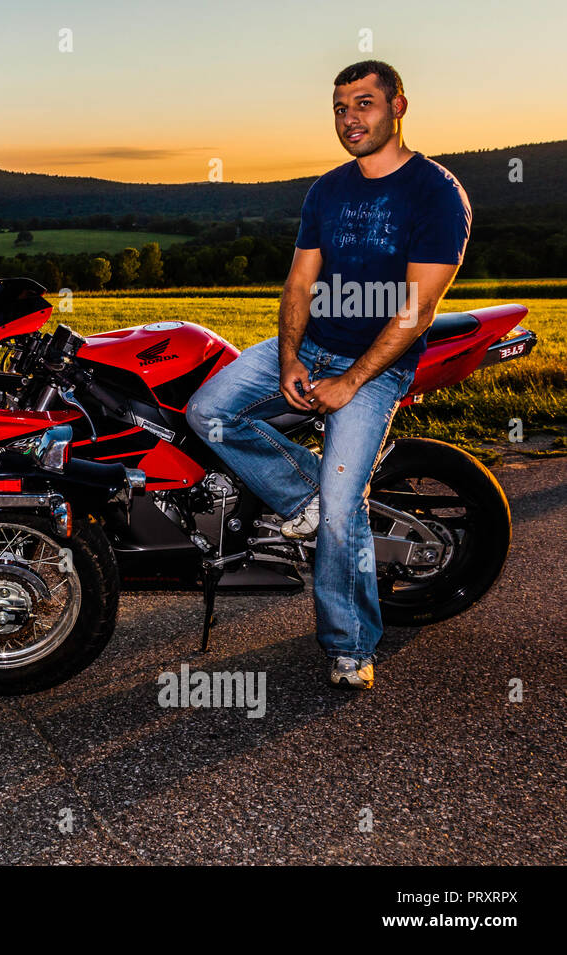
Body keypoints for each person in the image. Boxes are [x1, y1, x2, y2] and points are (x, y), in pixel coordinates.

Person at [186, 60, 471, 690]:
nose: (350, 119)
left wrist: (351, 381)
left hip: (378, 365)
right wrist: (289, 358)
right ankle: (302, 495)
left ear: (399, 106)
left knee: (346, 512)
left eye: (364, 104)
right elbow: (299, 280)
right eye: (340, 107)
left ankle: (349, 645)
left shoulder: (436, 192)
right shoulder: (328, 189)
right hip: (310, 346)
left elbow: (418, 306)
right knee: (206, 412)